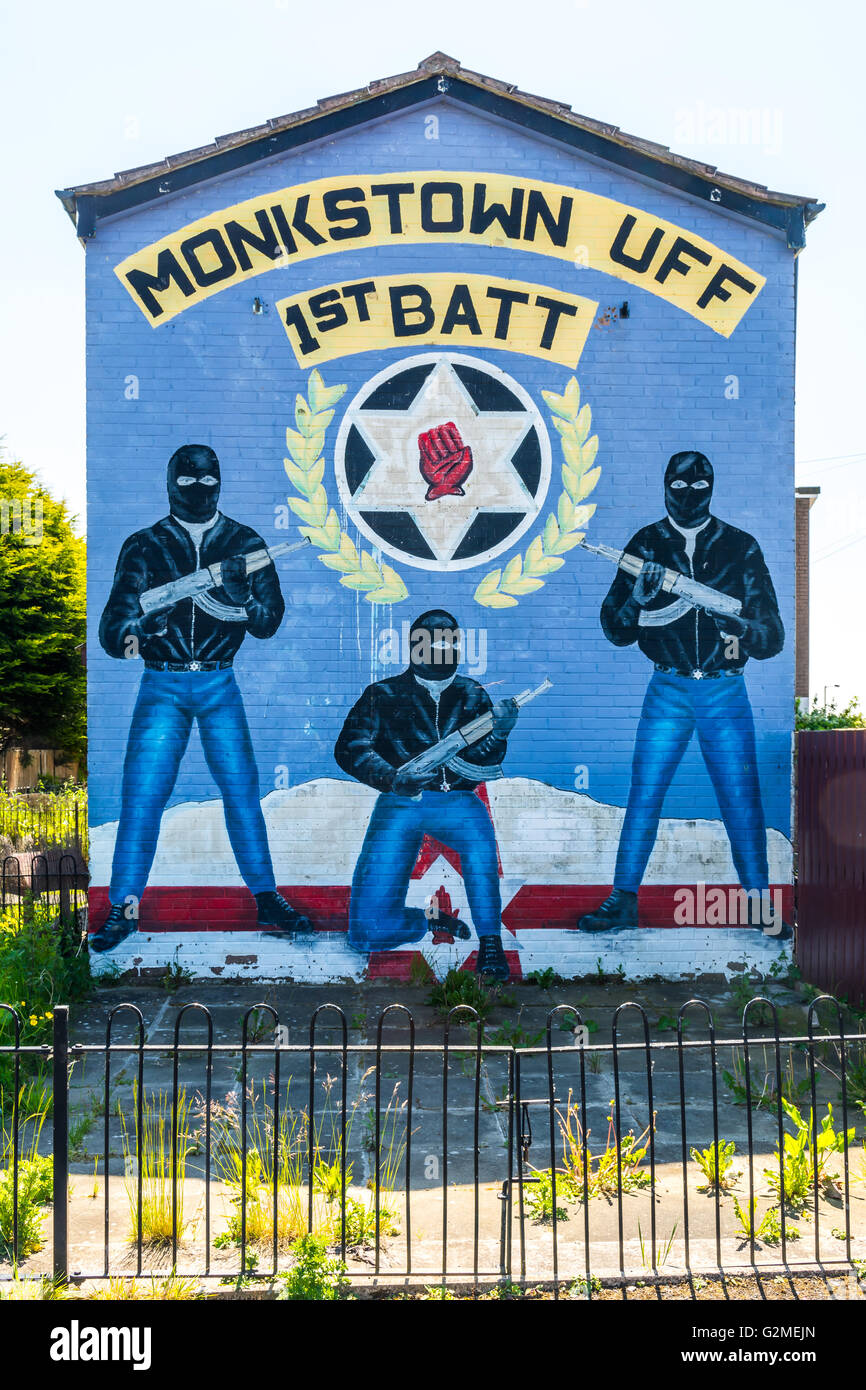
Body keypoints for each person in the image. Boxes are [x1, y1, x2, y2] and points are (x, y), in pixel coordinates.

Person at [90, 443, 313, 952]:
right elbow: (111, 634)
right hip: (161, 681)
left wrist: (239, 596)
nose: (197, 490)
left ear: (220, 481)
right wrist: (143, 629)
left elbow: (268, 624)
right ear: (169, 483)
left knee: (241, 792)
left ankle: (265, 897)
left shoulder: (244, 543)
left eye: (206, 481)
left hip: (218, 680)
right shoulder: (144, 547)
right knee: (142, 798)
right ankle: (125, 906)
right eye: (186, 482)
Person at [577, 450, 790, 937]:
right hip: (668, 686)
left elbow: (772, 636)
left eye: (699, 486)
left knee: (741, 800)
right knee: (644, 796)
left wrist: (736, 623)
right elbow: (615, 628)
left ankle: (758, 901)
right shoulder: (646, 544)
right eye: (679, 484)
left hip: (724, 689)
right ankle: (622, 899)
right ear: (665, 485)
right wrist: (639, 597)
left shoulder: (741, 547)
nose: (689, 494)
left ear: (711, 487)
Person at [334, 609, 517, 979]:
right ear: (414, 645)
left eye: (448, 639)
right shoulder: (382, 694)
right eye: (430, 640)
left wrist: (499, 733)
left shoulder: (471, 694)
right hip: (401, 801)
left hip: (458, 803)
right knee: (365, 933)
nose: (440, 647)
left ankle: (491, 944)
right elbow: (350, 748)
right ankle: (428, 920)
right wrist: (392, 778)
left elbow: (483, 759)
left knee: (481, 850)